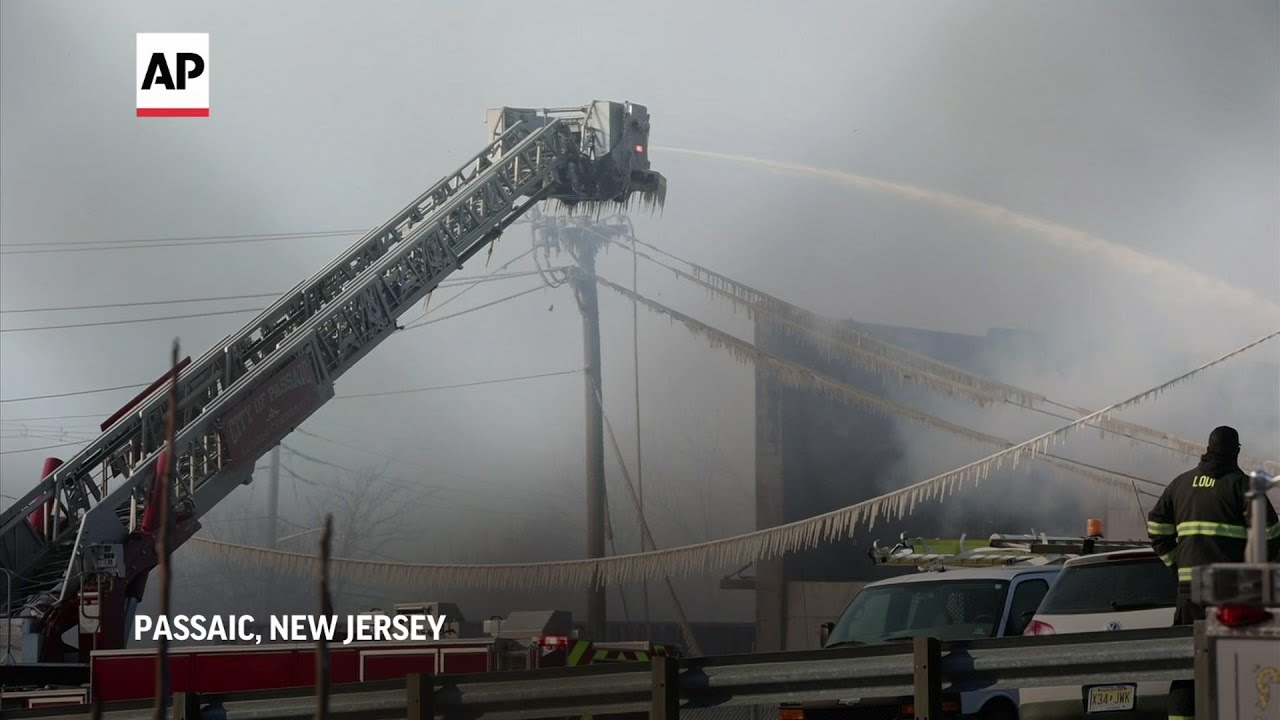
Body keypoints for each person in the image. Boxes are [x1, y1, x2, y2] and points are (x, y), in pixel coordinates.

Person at [1147, 425, 1280, 720]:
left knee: (1186, 667)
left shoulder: (1180, 485)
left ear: (1207, 449)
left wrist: (1176, 565)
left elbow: (1156, 528)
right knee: (1240, 665)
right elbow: (1271, 536)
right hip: (1232, 594)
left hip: (1190, 591)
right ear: (1236, 452)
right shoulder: (1243, 487)